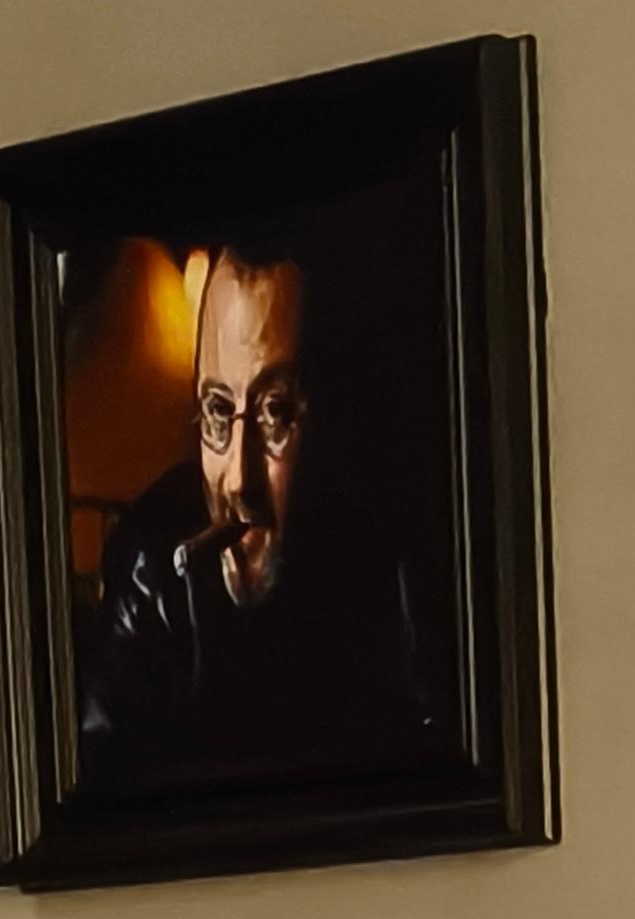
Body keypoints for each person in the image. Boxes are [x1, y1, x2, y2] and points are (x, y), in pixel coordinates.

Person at [80, 239, 441, 777]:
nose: (239, 479)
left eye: (276, 413)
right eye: (217, 410)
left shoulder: (395, 570)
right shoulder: (151, 562)